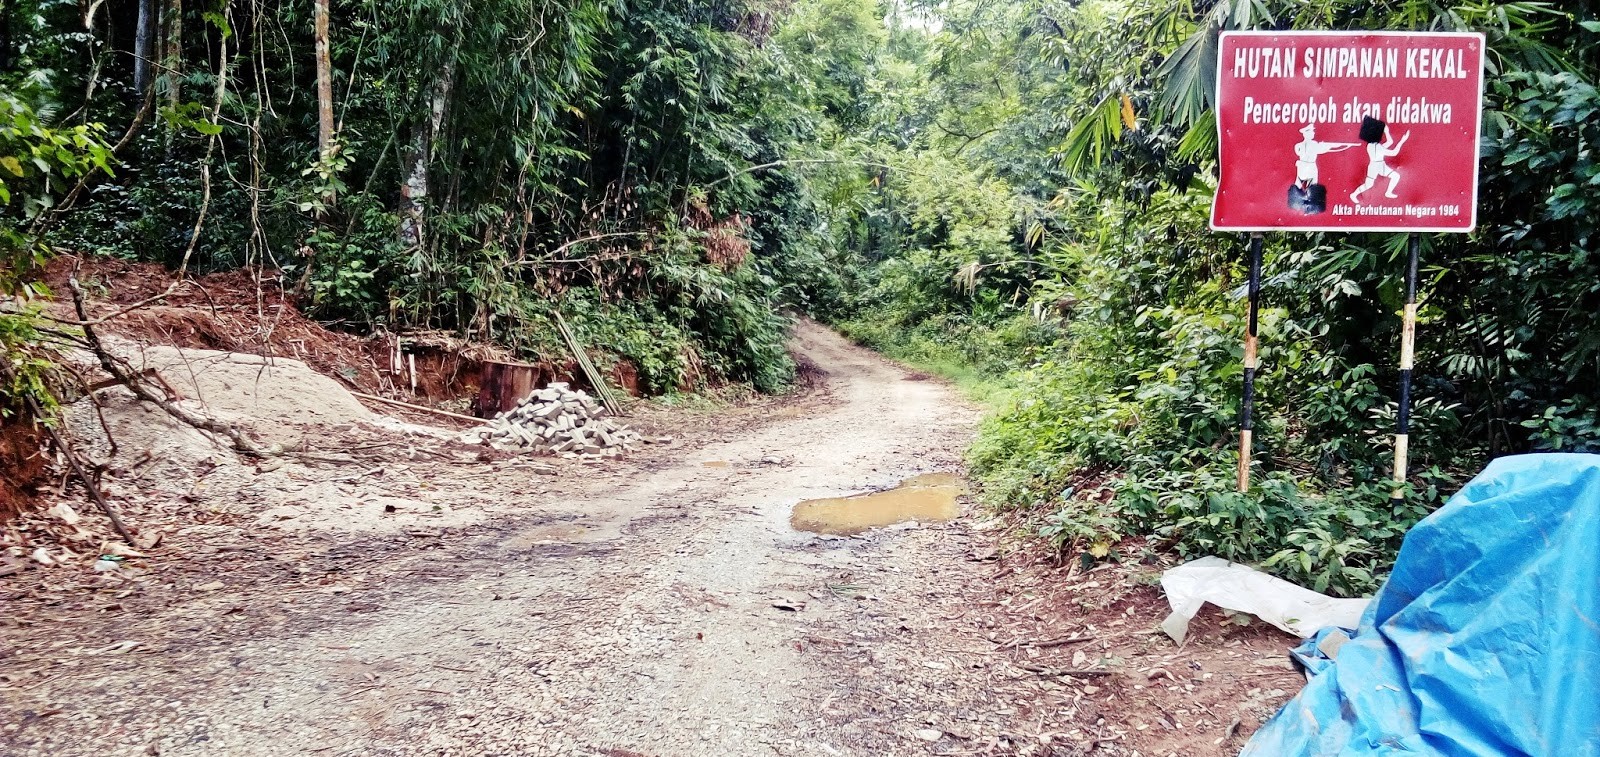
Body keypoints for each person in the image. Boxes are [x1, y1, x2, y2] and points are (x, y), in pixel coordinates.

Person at [1351, 121, 1411, 204]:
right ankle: (1354, 194)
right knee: (1370, 184)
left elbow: (1390, 142)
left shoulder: (1371, 145)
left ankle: (1388, 192)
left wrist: (1386, 132)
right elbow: (1394, 152)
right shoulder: (1377, 147)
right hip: (1377, 166)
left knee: (1395, 176)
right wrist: (1402, 141)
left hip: (1377, 165)